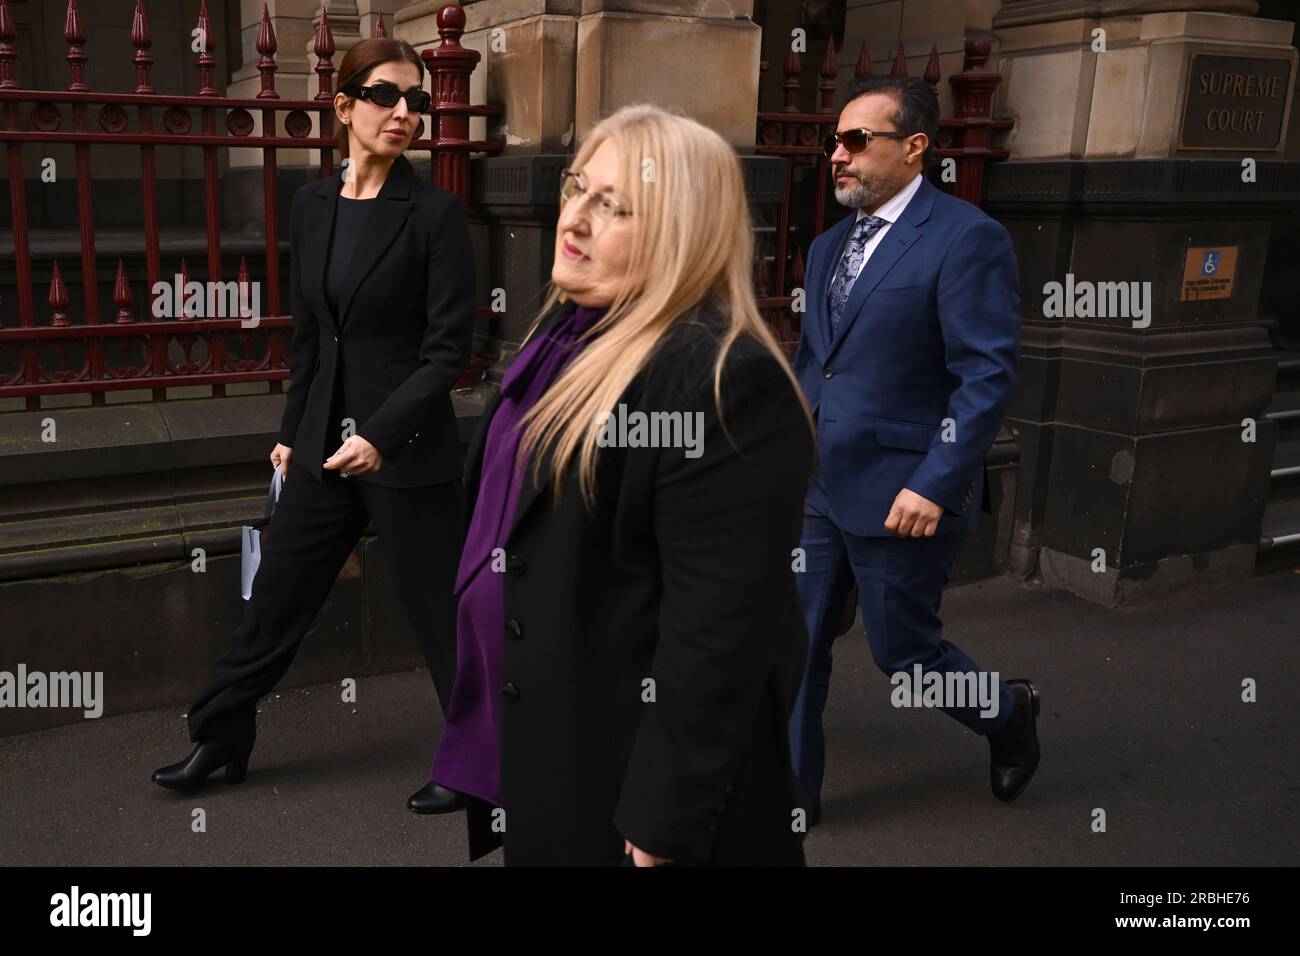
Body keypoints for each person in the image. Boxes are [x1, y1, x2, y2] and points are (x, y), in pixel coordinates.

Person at [427, 104, 816, 865]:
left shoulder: (721, 380)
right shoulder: (562, 335)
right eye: (579, 188)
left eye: (615, 206)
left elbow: (720, 632)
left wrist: (662, 821)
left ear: (682, 229)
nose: (574, 219)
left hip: (631, 792)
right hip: (550, 749)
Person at [152, 38, 471, 815]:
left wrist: (382, 436)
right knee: (278, 593)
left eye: (417, 101)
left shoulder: (435, 213)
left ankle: (477, 764)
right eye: (386, 96)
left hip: (405, 450)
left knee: (443, 614)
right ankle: (222, 732)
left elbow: (446, 353)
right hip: (327, 443)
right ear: (343, 106)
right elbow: (309, 335)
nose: (404, 113)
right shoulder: (312, 204)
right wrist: (297, 429)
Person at [788, 75, 1041, 826]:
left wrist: (935, 482)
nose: (836, 155)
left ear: (915, 147)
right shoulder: (828, 245)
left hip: (906, 495)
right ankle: (793, 797)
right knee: (794, 644)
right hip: (817, 487)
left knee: (906, 657)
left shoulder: (968, 238)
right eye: (832, 141)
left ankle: (1006, 714)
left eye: (856, 141)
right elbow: (816, 362)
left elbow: (985, 375)